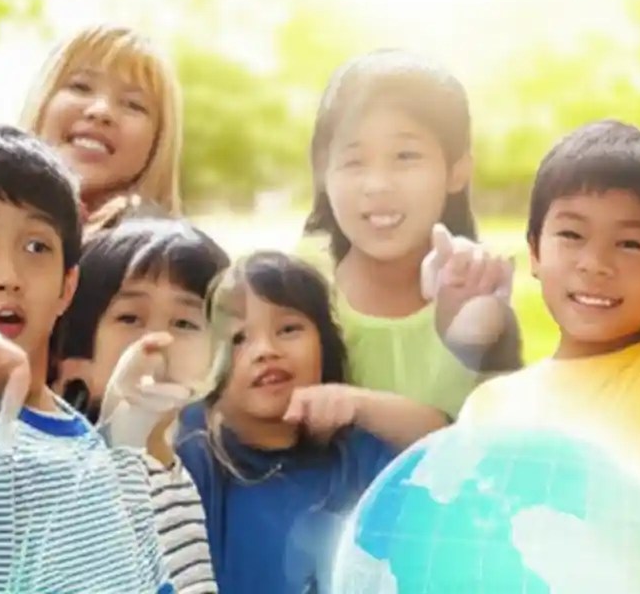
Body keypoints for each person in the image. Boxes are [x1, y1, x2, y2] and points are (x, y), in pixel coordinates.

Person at [458, 120, 640, 594]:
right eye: (571, 235)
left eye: (630, 243)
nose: (595, 263)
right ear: (534, 251)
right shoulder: (490, 405)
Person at [0, 125, 169, 592]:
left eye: (37, 246)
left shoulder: (73, 433)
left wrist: (125, 431)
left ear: (66, 287)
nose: (9, 275)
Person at [176, 251, 448, 593]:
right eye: (238, 339)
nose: (265, 350)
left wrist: (359, 404)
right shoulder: (199, 457)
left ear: (326, 344)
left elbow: (448, 447)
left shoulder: (356, 448)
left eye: (288, 329)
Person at [304, 48, 519, 420]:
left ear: (457, 170)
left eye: (405, 156)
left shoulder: (478, 295)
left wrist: (475, 339)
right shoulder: (296, 289)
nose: (377, 185)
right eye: (354, 161)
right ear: (325, 173)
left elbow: (500, 446)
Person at [52, 214, 230, 593]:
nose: (158, 339)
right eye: (130, 317)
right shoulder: (76, 470)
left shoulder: (174, 470)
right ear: (76, 357)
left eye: (184, 323)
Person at [21, 24, 183, 225]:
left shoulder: (167, 252)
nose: (101, 111)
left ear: (158, 140)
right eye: (80, 87)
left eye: (133, 105)